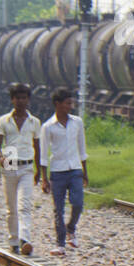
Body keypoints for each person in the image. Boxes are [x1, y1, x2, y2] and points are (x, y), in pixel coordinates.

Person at [0, 83, 42, 256]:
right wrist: (0, 157)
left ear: (28, 100)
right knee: (11, 207)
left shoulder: (34, 122)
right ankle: (13, 240)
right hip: (10, 161)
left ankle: (25, 239)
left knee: (25, 205)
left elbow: (37, 146)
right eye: (17, 98)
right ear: (12, 100)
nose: (20, 101)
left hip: (27, 165)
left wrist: (40, 171)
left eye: (24, 98)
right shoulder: (3, 121)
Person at [39, 87, 88, 256]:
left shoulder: (77, 123)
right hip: (58, 172)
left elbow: (82, 148)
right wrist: (44, 179)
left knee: (78, 203)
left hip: (75, 169)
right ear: (57, 104)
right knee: (58, 209)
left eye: (71, 103)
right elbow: (43, 154)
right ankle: (60, 244)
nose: (70, 106)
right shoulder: (47, 127)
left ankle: (71, 228)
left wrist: (85, 171)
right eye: (67, 103)